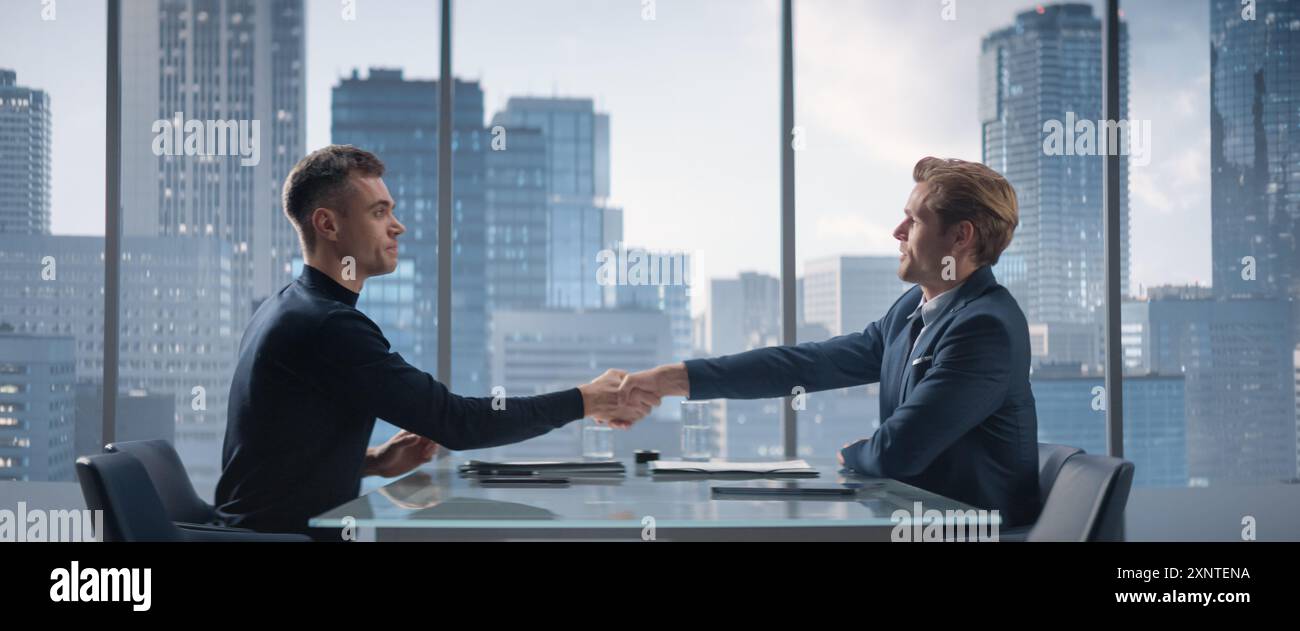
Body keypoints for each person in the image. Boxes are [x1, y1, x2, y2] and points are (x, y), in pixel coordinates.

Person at [214, 145, 658, 538]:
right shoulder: (327, 326)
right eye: (379, 212)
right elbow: (456, 422)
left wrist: (372, 461)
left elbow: (272, 452)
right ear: (327, 224)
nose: (398, 226)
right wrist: (586, 400)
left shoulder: (286, 307)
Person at [615, 157, 1041, 527]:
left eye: (914, 220)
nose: (897, 231)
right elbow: (804, 365)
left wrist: (852, 454)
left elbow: (898, 452)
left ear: (961, 237)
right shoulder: (914, 308)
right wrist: (675, 379)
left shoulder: (985, 328)